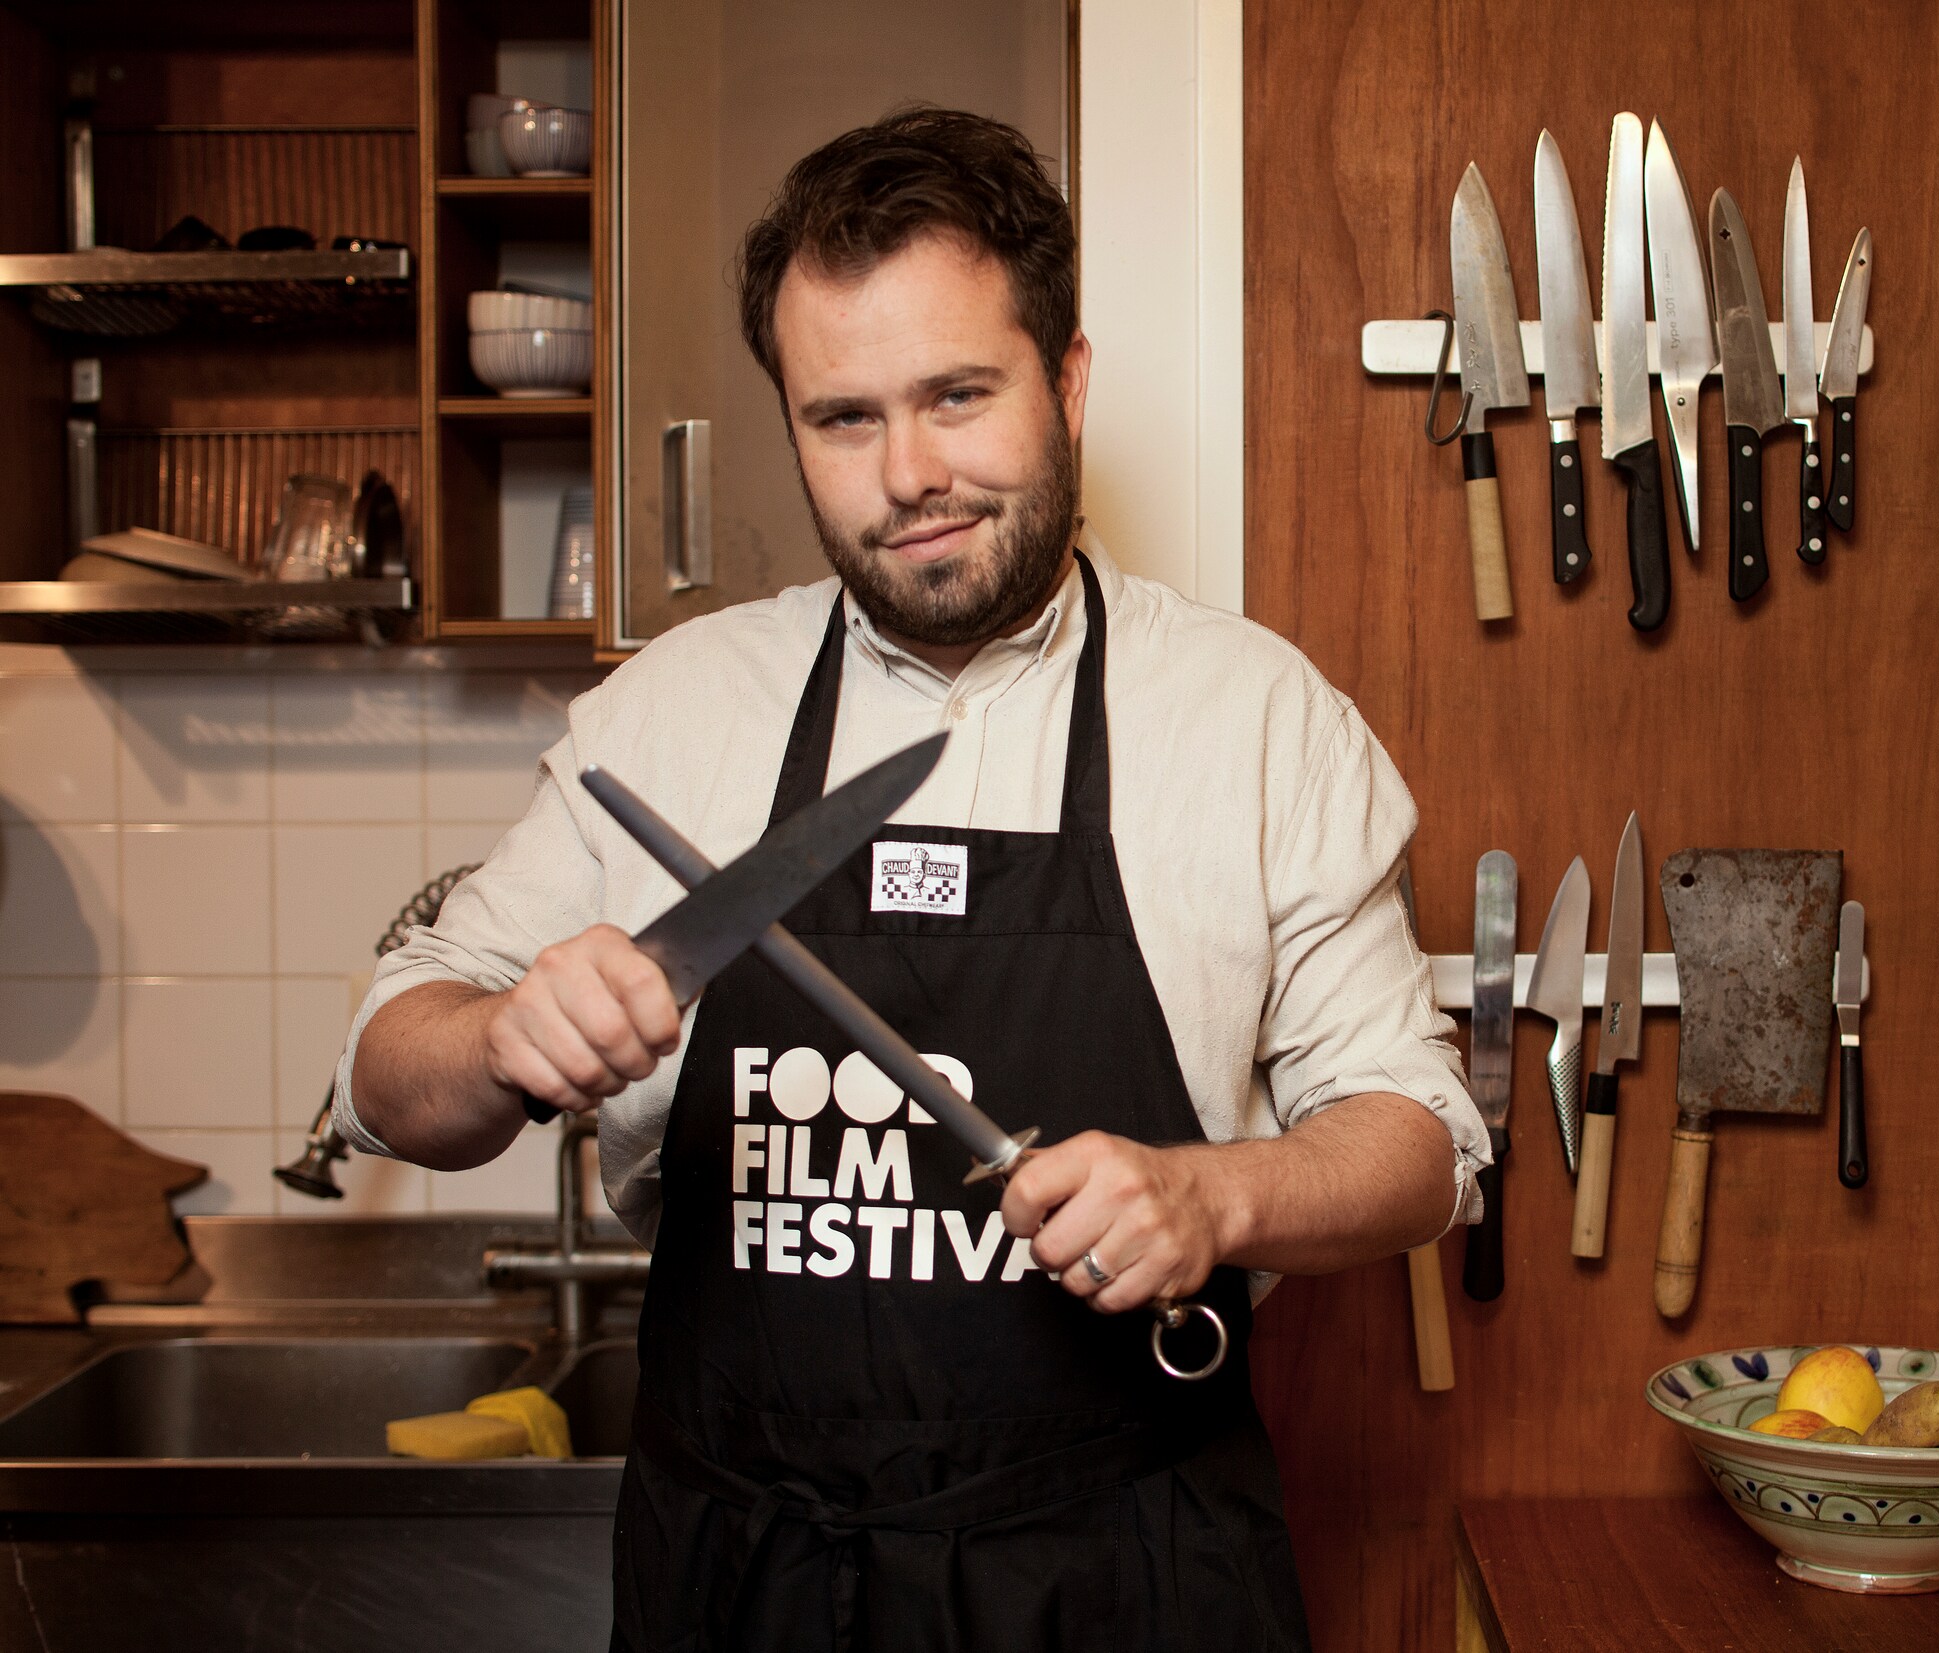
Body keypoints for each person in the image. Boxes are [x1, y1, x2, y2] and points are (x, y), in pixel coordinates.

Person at [337, 107, 1484, 1651]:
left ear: (1068, 380)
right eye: (845, 417)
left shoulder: (1258, 720)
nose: (912, 475)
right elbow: (388, 1064)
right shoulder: (676, 713)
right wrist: (492, 1040)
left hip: (1124, 1574)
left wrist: (1216, 1191)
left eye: (959, 395)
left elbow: (1419, 1144)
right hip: (745, 1574)